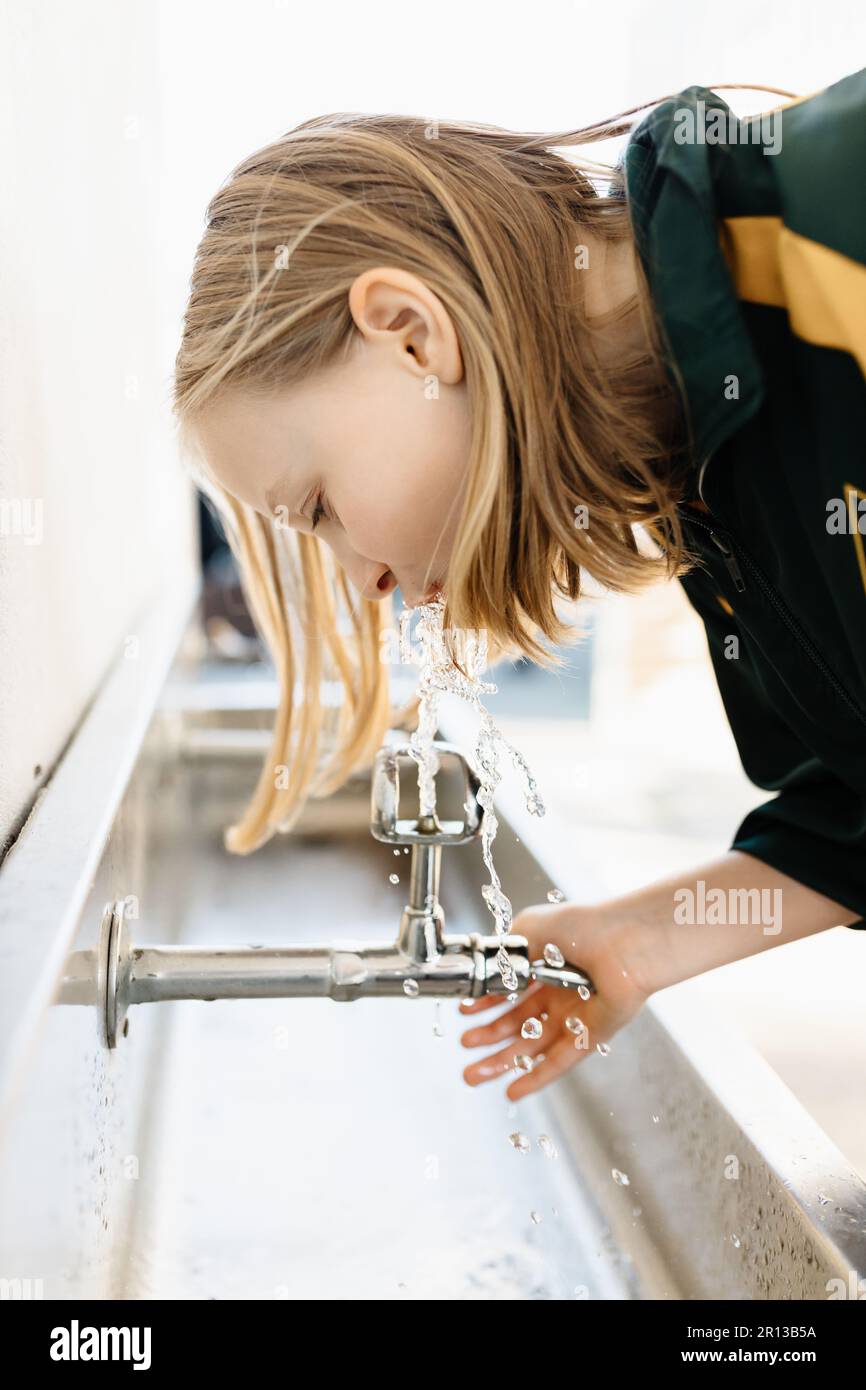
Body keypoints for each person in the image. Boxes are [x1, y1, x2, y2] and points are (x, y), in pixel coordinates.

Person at [173, 67, 866, 1103]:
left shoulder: (828, 223)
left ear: (410, 331)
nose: (361, 582)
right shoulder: (700, 475)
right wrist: (634, 940)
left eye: (315, 505)